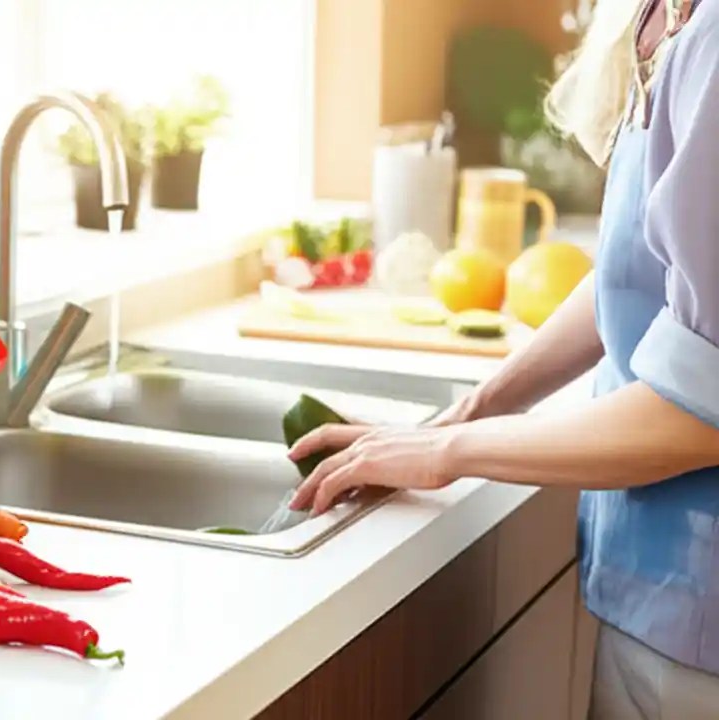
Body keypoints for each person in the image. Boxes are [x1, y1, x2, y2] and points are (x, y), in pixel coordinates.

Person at [287, 0, 719, 717]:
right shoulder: (671, 12)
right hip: (665, 596)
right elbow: (651, 267)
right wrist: (468, 411)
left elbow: (699, 409)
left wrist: (451, 451)